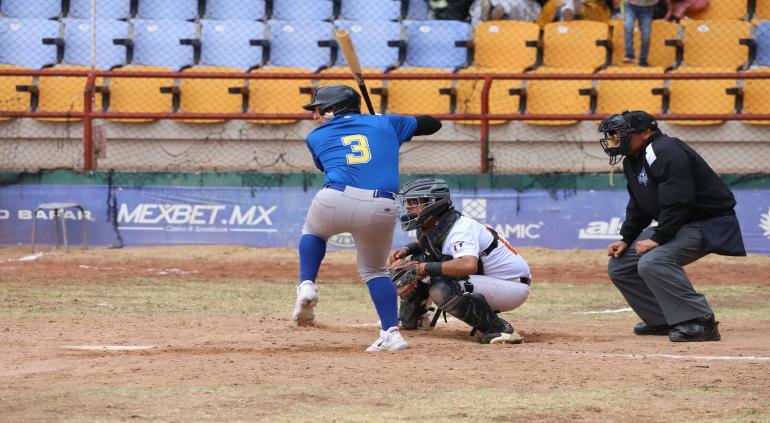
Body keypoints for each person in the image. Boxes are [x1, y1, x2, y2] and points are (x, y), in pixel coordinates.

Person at [292, 84, 442, 352]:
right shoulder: (386, 123)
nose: (315, 116)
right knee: (375, 271)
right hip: (381, 204)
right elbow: (433, 124)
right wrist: (389, 124)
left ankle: (307, 284)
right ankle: (391, 334)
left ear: (333, 109)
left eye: (319, 110)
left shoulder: (315, 137)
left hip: (335, 197)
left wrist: (382, 126)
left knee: (313, 234)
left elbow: (331, 163)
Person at [599, 110, 746, 343]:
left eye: (621, 133)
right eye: (613, 134)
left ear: (646, 133)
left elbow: (680, 200)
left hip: (708, 223)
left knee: (654, 260)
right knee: (621, 265)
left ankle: (700, 322)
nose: (615, 138)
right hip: (679, 223)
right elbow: (639, 204)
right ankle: (664, 320)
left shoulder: (666, 151)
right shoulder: (632, 159)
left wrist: (658, 237)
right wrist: (626, 238)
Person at [388, 178, 531, 344]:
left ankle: (500, 329)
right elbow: (430, 245)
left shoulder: (461, 228)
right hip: (490, 281)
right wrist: (407, 250)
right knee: (416, 262)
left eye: (414, 202)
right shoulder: (434, 224)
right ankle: (417, 318)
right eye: (407, 202)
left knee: (441, 286)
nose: (408, 207)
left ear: (433, 203)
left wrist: (422, 269)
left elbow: (468, 264)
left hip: (511, 286)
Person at [622, 0, 659, 67]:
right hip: (630, 5)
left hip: (647, 8)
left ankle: (643, 61)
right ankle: (629, 55)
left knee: (646, 35)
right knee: (628, 27)